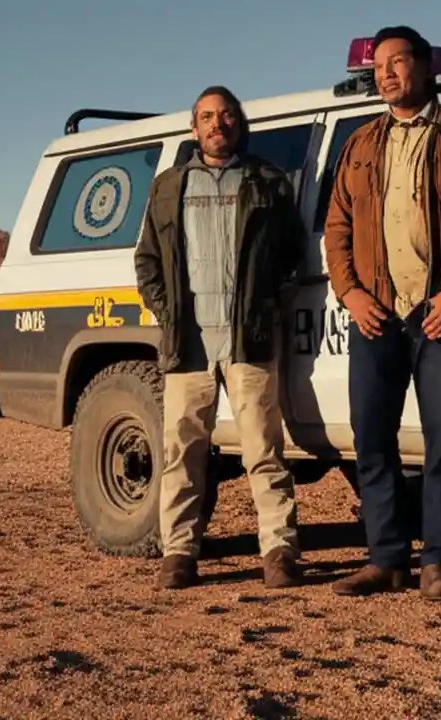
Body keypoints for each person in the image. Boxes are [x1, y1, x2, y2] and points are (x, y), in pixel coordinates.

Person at [323, 26, 441, 600]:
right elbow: (337, 229)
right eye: (379, 66)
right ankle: (385, 558)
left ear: (425, 69)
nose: (387, 74)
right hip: (374, 312)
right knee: (371, 440)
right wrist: (351, 294)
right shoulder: (360, 143)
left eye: (398, 62)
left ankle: (439, 560)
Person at [134, 85, 306, 590]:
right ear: (194, 128)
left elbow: (294, 256)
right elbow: (147, 261)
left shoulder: (269, 183)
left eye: (226, 115)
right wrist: (169, 315)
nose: (217, 124)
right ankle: (179, 553)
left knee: (264, 450)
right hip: (188, 344)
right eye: (207, 116)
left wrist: (269, 306)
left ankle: (278, 551)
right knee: (181, 453)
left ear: (239, 123)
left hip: (249, 342)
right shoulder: (168, 187)